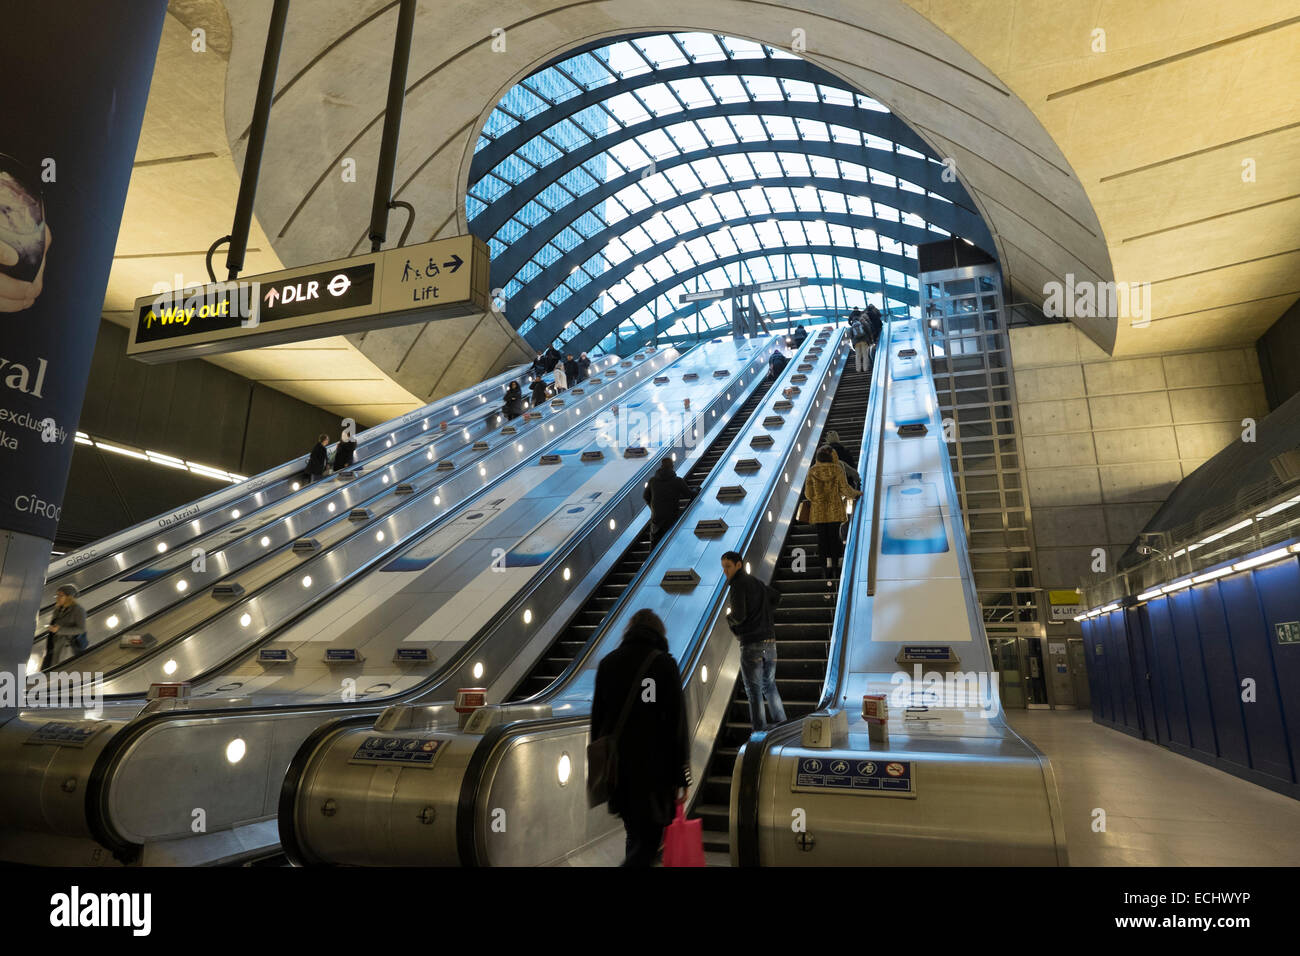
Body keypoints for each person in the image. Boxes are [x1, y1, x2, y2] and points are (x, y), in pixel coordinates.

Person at [590, 608, 690, 867]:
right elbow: (676, 724)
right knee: (648, 841)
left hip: (619, 771)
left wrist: (601, 769)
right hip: (655, 773)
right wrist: (682, 776)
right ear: (659, 632)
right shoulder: (665, 664)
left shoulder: (608, 663)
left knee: (635, 834)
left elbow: (598, 723)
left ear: (629, 630)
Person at [721, 551, 786, 731]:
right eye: (723, 567)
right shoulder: (756, 583)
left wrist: (730, 620)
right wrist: (764, 616)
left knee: (754, 691)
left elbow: (739, 616)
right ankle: (782, 726)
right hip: (770, 641)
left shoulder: (737, 585)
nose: (725, 571)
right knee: (769, 686)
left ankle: (759, 733)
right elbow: (776, 597)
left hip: (751, 643)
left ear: (738, 565)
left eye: (728, 566)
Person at [803, 446, 862, 596]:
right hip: (834, 510)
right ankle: (835, 567)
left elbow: (808, 494)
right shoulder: (837, 470)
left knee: (822, 540)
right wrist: (857, 493)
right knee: (834, 538)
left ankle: (824, 569)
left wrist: (817, 500)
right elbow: (845, 489)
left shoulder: (812, 471)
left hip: (819, 512)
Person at [642, 457, 696, 547]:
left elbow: (645, 496)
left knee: (654, 546)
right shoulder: (677, 481)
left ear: (661, 466)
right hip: (671, 519)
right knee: (672, 544)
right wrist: (696, 490)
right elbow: (689, 495)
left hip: (656, 520)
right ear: (672, 466)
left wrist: (652, 508)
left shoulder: (653, 481)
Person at [40, 584, 87, 670]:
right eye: (57, 595)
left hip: (66, 645)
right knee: (47, 669)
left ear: (69, 597)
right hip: (53, 643)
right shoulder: (58, 608)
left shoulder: (78, 610)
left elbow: (81, 629)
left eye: (61, 595)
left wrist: (60, 630)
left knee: (59, 671)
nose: (57, 597)